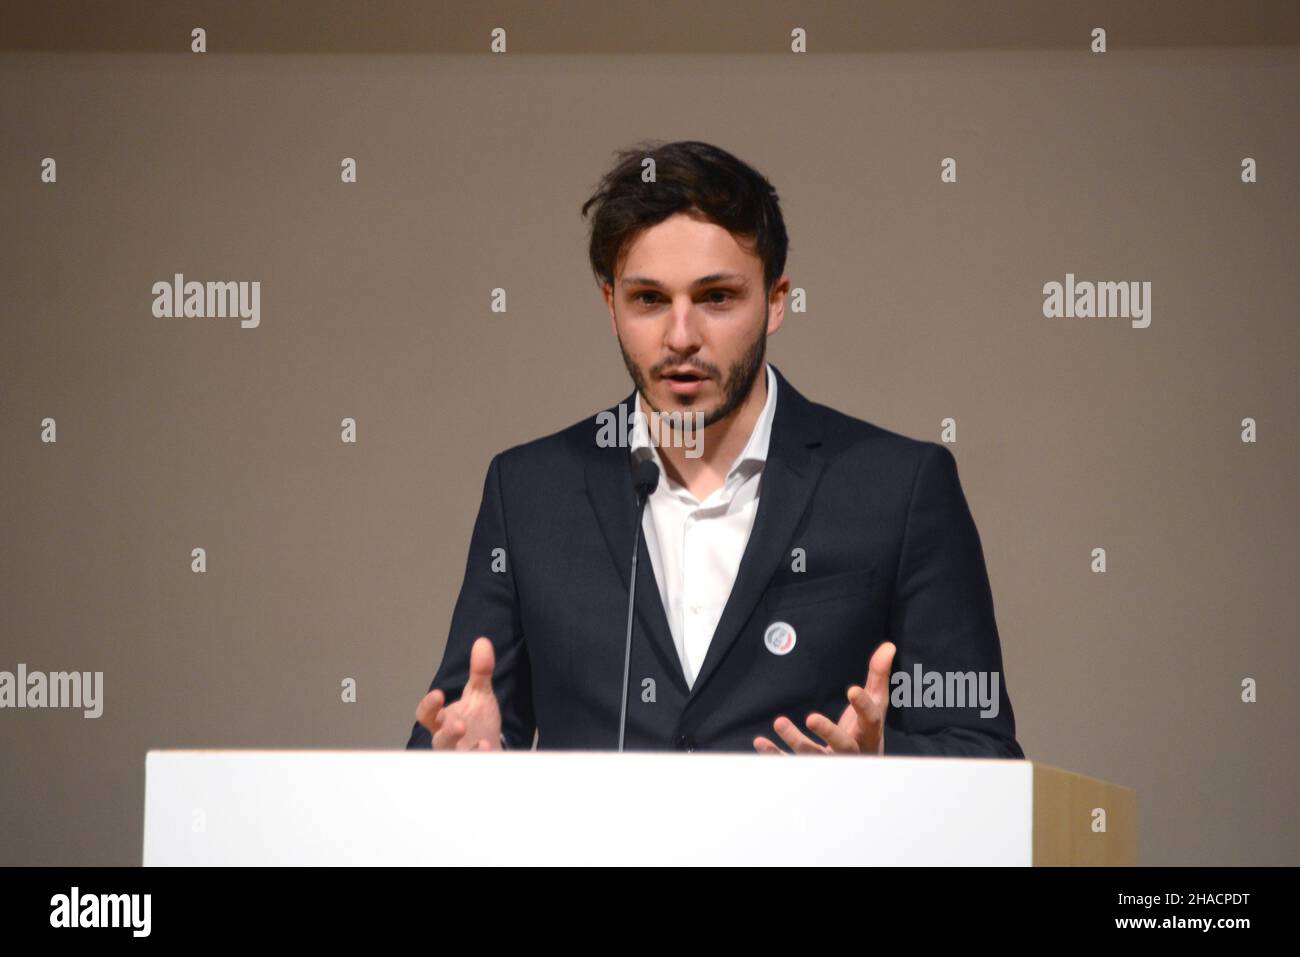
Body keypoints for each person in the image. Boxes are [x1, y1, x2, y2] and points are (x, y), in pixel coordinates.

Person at [406, 140, 1024, 757]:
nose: (681, 337)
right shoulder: (530, 492)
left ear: (776, 301)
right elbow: (462, 723)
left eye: (716, 298)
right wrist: (460, 763)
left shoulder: (900, 487)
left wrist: (882, 768)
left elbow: (984, 751)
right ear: (611, 306)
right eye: (648, 300)